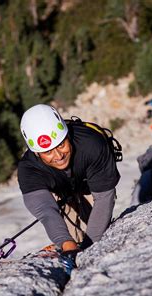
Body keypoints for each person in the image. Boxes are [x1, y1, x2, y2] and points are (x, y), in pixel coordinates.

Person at [17, 104, 120, 257]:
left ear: (67, 137)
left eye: (61, 145)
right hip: (62, 195)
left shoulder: (91, 144)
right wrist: (67, 244)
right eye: (48, 151)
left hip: (90, 185)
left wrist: (88, 249)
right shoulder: (29, 169)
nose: (58, 156)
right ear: (36, 153)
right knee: (72, 241)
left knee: (97, 235)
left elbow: (104, 197)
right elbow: (45, 210)